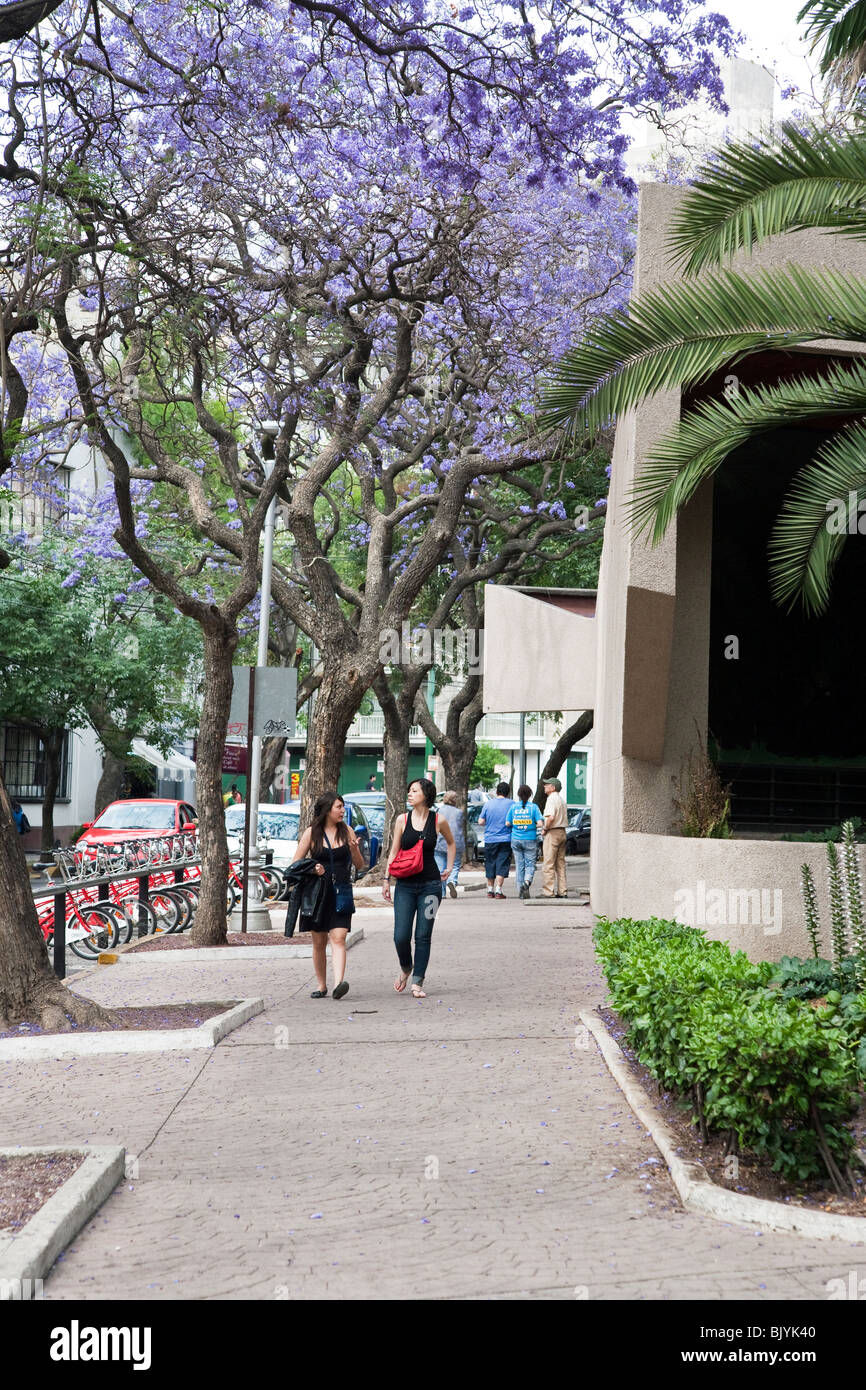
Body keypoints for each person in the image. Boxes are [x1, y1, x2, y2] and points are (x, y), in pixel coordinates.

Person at [383, 778, 455, 999]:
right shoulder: (401, 820)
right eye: (409, 790)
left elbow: (451, 843)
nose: (410, 794)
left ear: (426, 794)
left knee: (423, 935)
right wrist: (386, 879)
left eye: (414, 791)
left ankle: (418, 981)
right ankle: (406, 967)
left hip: (431, 887)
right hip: (404, 886)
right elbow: (393, 852)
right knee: (400, 936)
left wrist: (450, 867)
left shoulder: (439, 820)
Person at [292, 792, 365, 999]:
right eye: (339, 807)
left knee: (339, 937)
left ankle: (339, 984)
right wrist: (312, 868)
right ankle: (321, 985)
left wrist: (354, 851)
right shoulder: (311, 833)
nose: (343, 811)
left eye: (343, 807)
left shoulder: (347, 831)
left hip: (341, 890)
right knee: (319, 941)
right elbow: (295, 864)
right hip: (317, 894)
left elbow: (359, 865)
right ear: (327, 810)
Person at [478, 782, 515, 898]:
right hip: (506, 839)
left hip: (490, 839)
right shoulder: (512, 804)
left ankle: (490, 890)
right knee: (502, 863)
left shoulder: (488, 804)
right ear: (508, 793)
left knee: (490, 862)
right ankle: (498, 890)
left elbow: (481, 822)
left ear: (497, 792)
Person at [506, 785, 543, 900]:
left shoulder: (513, 807)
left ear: (518, 795)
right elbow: (540, 824)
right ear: (530, 794)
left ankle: (520, 891)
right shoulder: (534, 807)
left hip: (516, 839)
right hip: (530, 839)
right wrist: (531, 824)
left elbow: (507, 823)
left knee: (519, 865)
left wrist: (517, 824)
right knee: (530, 864)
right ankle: (526, 883)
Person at [541, 776, 568, 898]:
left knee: (549, 863)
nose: (544, 786)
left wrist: (545, 829)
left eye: (547, 785)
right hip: (562, 832)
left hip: (553, 833)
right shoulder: (561, 800)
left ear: (553, 787)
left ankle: (548, 891)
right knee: (560, 864)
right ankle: (562, 891)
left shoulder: (551, 799)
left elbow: (550, 817)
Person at [434, 791, 464, 898]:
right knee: (455, 865)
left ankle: (441, 893)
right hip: (456, 842)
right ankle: (452, 881)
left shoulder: (438, 811)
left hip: (440, 842)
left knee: (440, 867)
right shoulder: (459, 812)